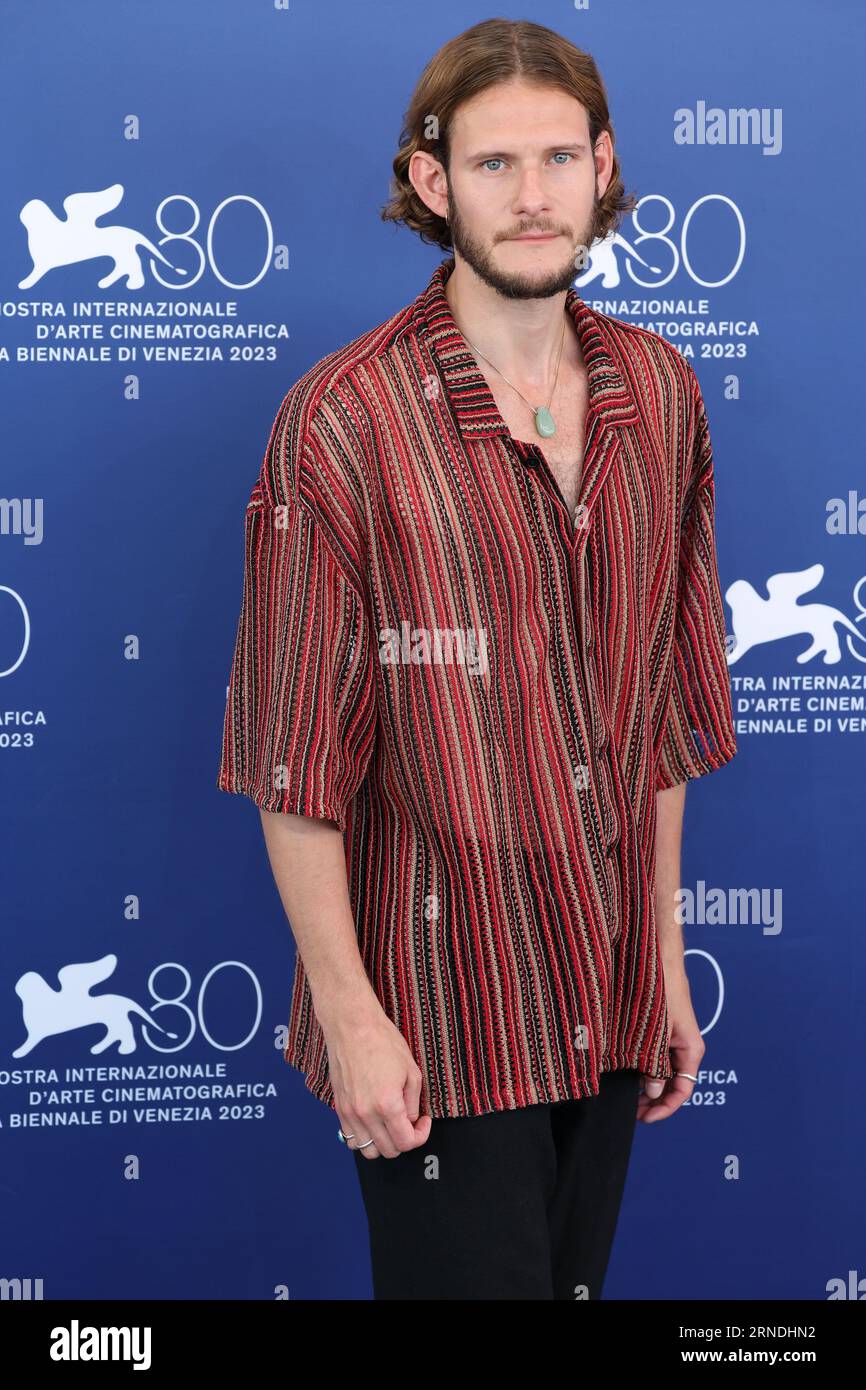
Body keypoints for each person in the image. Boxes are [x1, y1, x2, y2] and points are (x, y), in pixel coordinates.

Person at [216, 17, 738, 1300]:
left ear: (603, 166)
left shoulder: (660, 394)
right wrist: (346, 1013)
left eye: (559, 159)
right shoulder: (343, 422)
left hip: (606, 992)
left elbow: (660, 712)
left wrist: (660, 964)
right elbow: (293, 756)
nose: (532, 196)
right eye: (494, 165)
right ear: (429, 181)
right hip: (436, 1013)